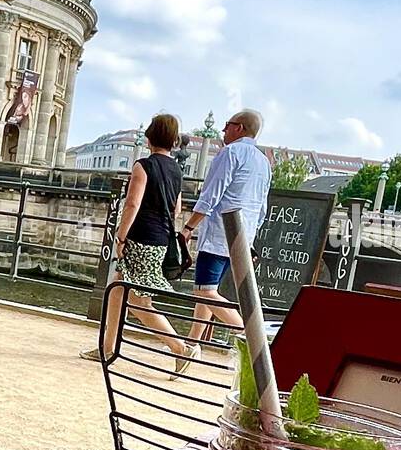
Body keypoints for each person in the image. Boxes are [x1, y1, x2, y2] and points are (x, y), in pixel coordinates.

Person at [83, 113, 192, 369]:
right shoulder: (176, 169)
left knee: (139, 302)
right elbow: (176, 209)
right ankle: (106, 349)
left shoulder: (143, 166)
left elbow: (133, 203)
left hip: (140, 239)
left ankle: (181, 348)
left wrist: (120, 236)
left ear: (149, 137)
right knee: (117, 292)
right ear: (174, 141)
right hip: (160, 240)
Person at [182, 109, 271, 346]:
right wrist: (250, 239)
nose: (223, 130)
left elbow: (211, 194)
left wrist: (189, 227)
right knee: (208, 291)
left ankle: (253, 339)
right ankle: (190, 346)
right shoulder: (264, 162)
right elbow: (262, 207)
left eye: (227, 125)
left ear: (239, 128)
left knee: (204, 292)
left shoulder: (230, 153)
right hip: (241, 236)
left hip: (218, 234)